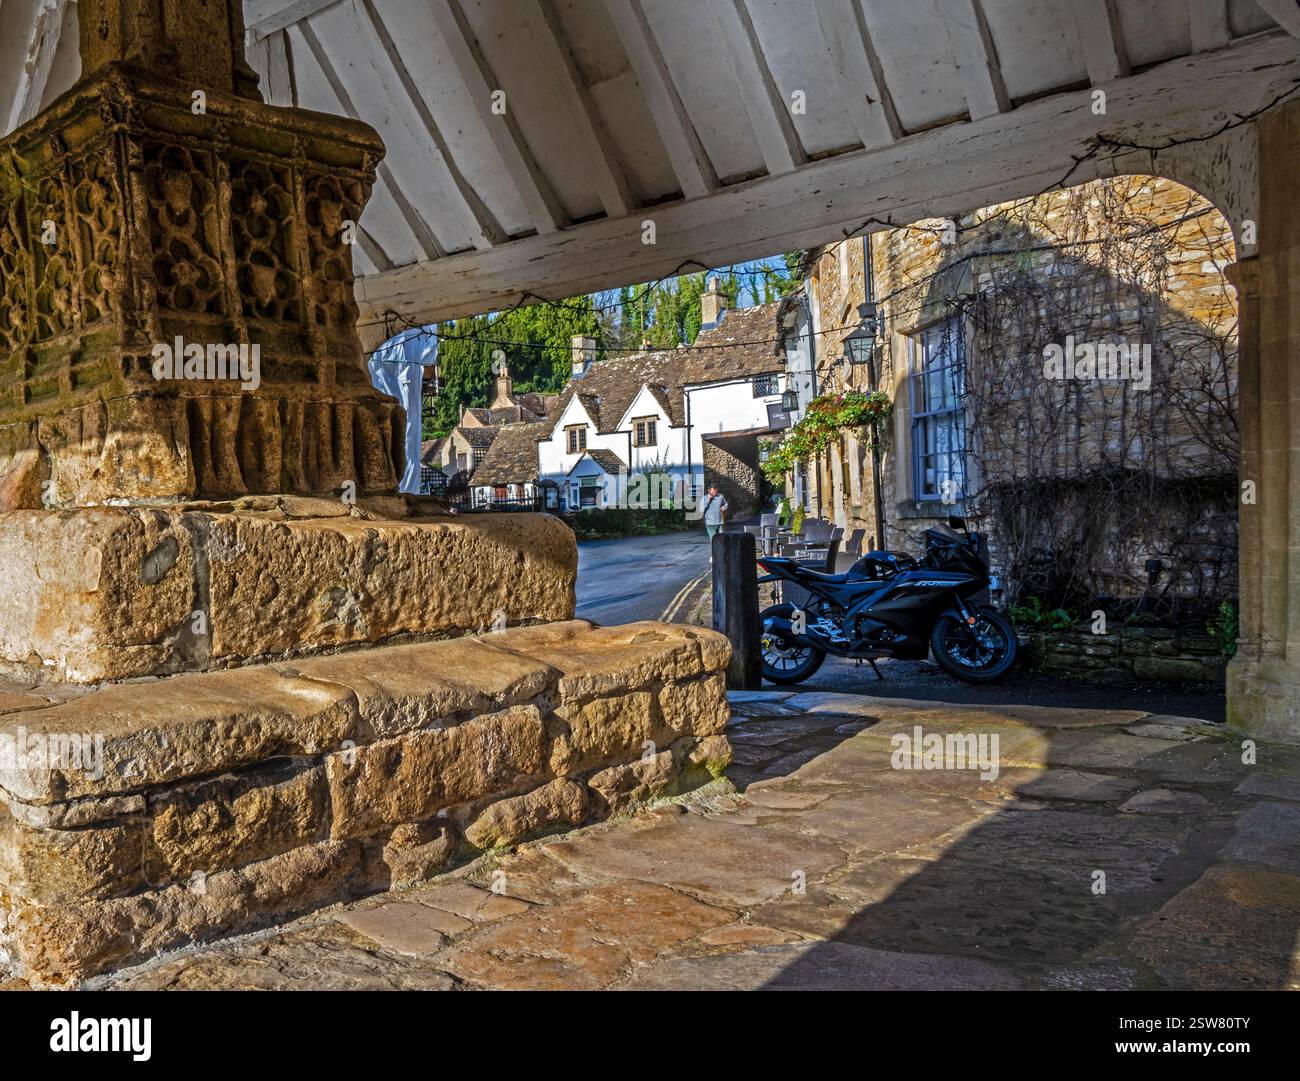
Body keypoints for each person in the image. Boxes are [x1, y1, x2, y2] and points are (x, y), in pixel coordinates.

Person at [701, 484, 728, 557]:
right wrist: (708, 500)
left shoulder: (720, 496)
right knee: (713, 540)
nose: (714, 494)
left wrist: (724, 507)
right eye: (712, 492)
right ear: (708, 490)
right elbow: (701, 509)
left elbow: (726, 504)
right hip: (710, 524)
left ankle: (722, 555)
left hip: (720, 522)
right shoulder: (704, 498)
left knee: (721, 539)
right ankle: (713, 555)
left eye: (715, 492)